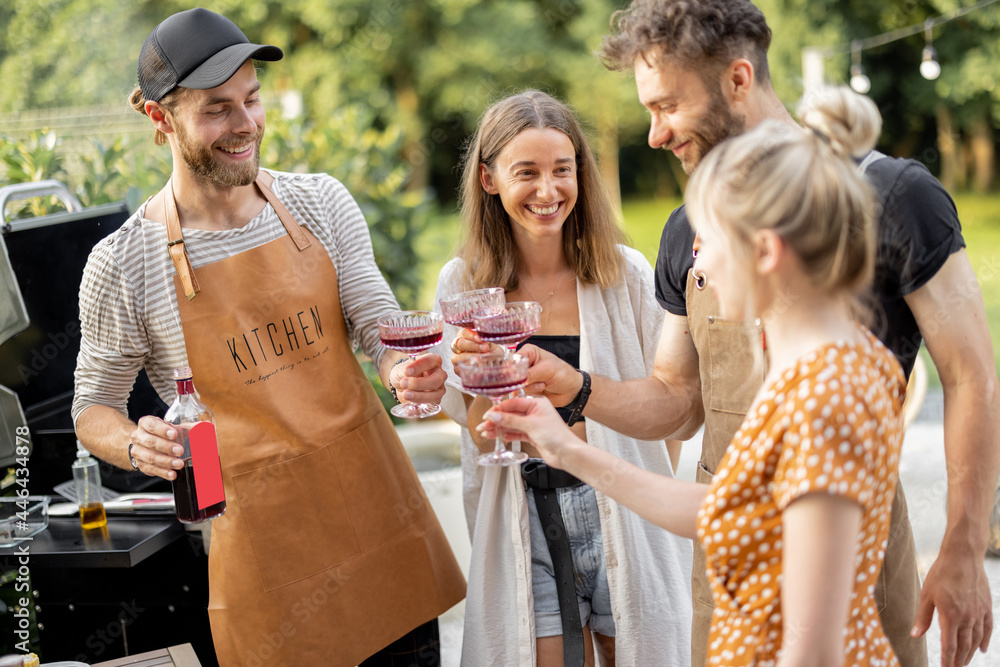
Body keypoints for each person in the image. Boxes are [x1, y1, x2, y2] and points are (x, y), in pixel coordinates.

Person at [519, 1, 1000, 666]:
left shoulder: (894, 200)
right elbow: (680, 401)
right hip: (728, 572)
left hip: (852, 568)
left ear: (738, 79)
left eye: (667, 106)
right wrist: (574, 394)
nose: (654, 134)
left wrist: (965, 546)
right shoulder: (691, 224)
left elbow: (971, 376)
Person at [71, 8, 465, 666]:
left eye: (252, 99)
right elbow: (92, 408)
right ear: (160, 119)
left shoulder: (320, 202)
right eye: (217, 109)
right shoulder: (124, 263)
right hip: (267, 566)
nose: (246, 123)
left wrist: (401, 369)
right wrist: (137, 442)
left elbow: (377, 326)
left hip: (378, 528)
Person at [484, 85, 906, 666]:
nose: (696, 262)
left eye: (707, 239)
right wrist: (567, 448)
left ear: (765, 250)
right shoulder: (827, 366)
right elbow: (722, 511)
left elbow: (814, 644)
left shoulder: (825, 396)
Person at [434, 90, 692, 666]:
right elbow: (482, 439)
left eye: (562, 169)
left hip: (621, 505)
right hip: (525, 514)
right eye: (526, 172)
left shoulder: (626, 275)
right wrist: (483, 378)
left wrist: (640, 486)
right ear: (488, 179)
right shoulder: (463, 284)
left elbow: (667, 414)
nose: (548, 191)